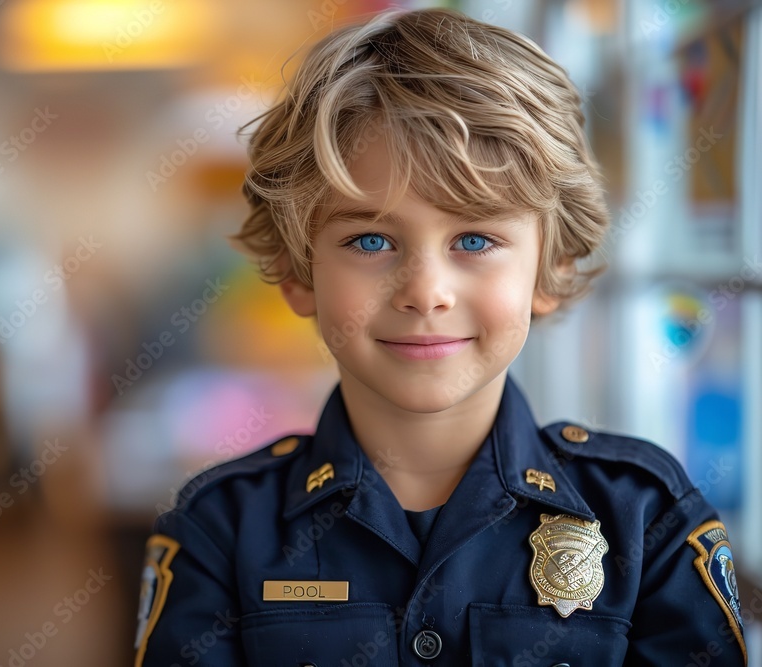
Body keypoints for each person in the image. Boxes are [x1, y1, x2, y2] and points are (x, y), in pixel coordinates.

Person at [133, 8, 747, 666]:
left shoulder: (645, 518)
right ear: (295, 268)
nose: (425, 290)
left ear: (552, 267)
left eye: (475, 239)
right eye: (370, 239)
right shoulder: (218, 531)